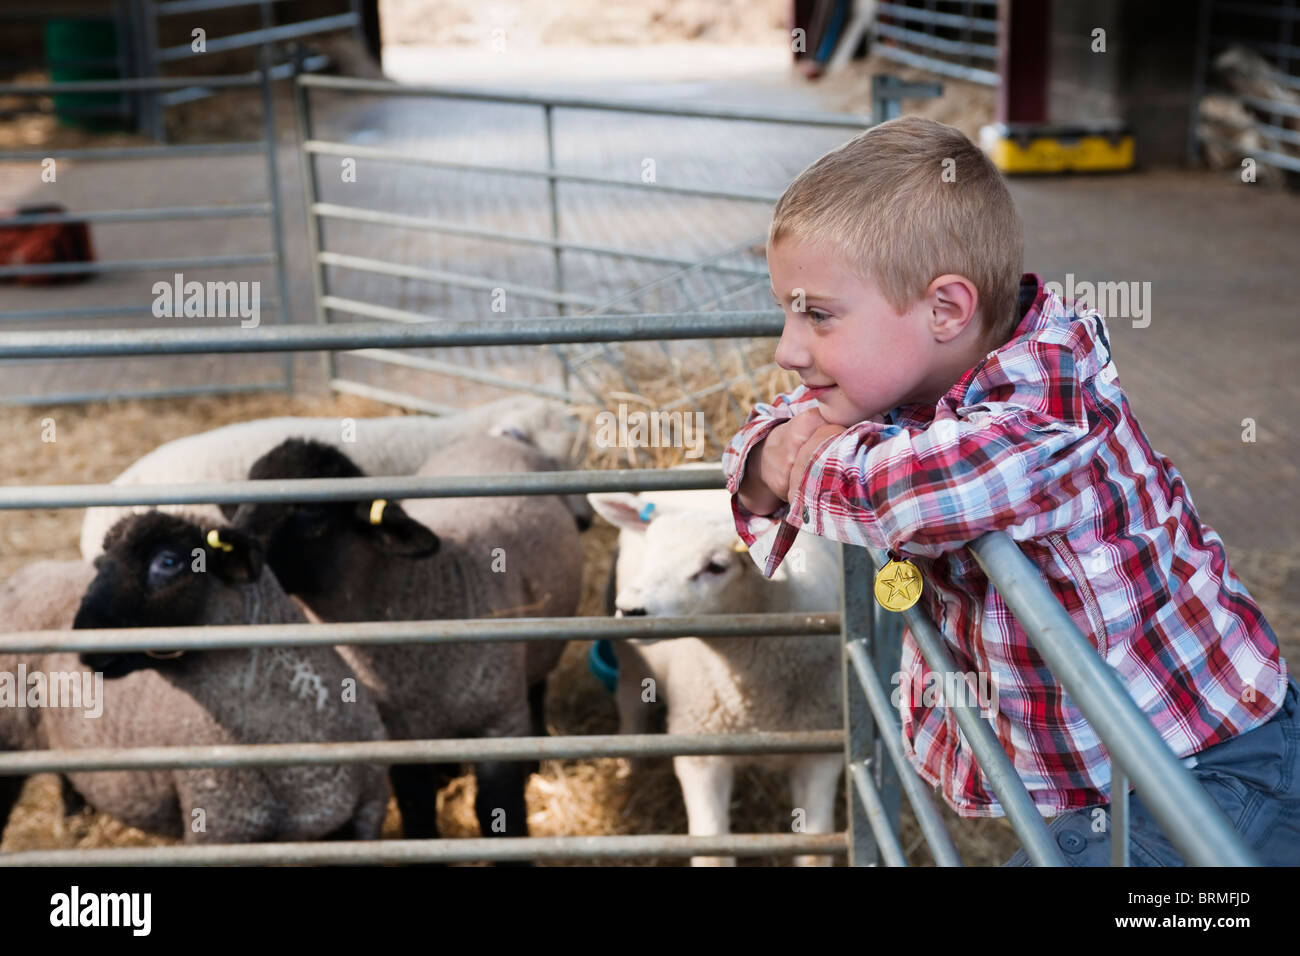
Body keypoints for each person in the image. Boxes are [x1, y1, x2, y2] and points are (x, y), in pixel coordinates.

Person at [724, 115, 1296, 865]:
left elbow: (907, 491)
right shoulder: (909, 375)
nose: (787, 350)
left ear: (946, 310)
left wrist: (794, 464)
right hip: (1112, 781)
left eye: (818, 316)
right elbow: (767, 434)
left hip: (1209, 767)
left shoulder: (1046, 406)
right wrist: (769, 455)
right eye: (787, 312)